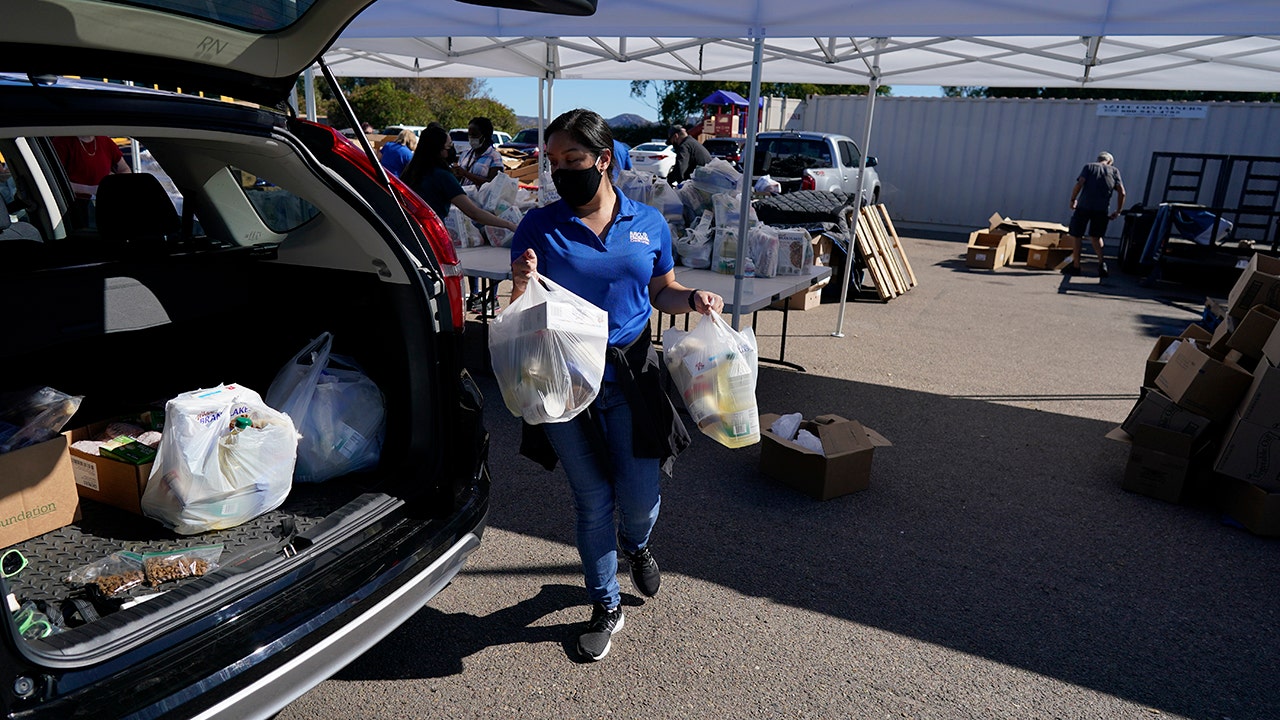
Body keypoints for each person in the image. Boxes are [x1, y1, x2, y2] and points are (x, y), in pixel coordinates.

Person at [509, 108, 724, 662]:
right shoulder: (538, 226)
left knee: (638, 498)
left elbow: (663, 292)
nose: (559, 172)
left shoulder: (647, 223)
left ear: (604, 160)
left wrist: (693, 299)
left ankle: (638, 545)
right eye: (553, 162)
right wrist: (521, 284)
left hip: (631, 374)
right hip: (562, 378)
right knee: (591, 498)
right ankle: (606, 605)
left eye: (572, 160)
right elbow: (522, 311)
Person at [400, 125, 518, 237]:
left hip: (408, 230)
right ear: (439, 150)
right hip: (431, 233)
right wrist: (509, 225)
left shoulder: (410, 171)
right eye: (449, 146)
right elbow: (474, 213)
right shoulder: (442, 176)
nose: (452, 149)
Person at [455, 116, 507, 307]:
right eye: (469, 134)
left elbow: (493, 183)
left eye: (474, 134)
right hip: (466, 208)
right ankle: (475, 294)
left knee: (488, 255)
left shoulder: (494, 157)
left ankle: (492, 297)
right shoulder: (467, 154)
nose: (471, 138)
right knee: (471, 252)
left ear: (485, 136)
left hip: (485, 210)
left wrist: (466, 174)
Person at [1063, 151, 1125, 278]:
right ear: (1109, 162)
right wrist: (1118, 211)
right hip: (1101, 210)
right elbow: (1122, 193)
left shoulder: (1089, 167)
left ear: (1099, 159)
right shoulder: (1114, 171)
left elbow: (1080, 184)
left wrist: (1073, 199)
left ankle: (1076, 266)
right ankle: (1102, 264)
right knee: (1096, 237)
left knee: (1078, 236)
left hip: (1083, 207)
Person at [52, 135, 131, 199]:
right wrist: (91, 190)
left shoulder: (105, 141)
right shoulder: (61, 142)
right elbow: (54, 181)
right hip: (72, 205)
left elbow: (125, 169)